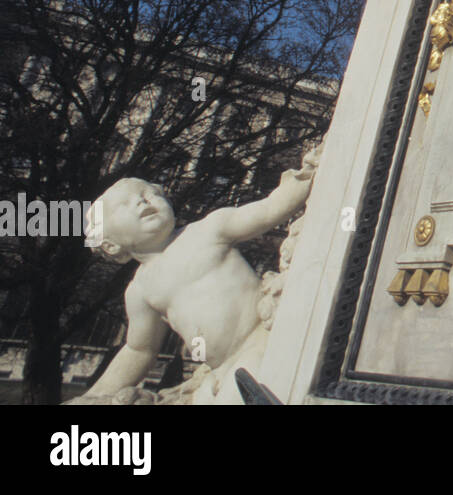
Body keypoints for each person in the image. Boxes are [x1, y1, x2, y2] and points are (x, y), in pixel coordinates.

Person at [77, 151, 316, 403]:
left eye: (151, 194)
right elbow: (139, 350)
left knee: (249, 391)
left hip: (259, 337)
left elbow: (269, 210)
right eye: (124, 205)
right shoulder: (139, 291)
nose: (143, 201)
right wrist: (93, 396)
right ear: (111, 245)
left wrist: (309, 174)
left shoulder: (207, 230)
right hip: (219, 369)